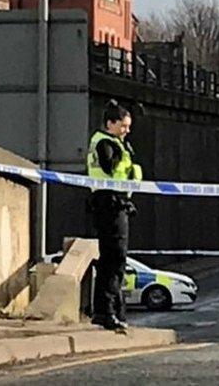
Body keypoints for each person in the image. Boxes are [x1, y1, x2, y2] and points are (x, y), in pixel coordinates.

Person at [86, 100, 143, 331]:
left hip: (118, 203)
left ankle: (114, 312)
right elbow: (110, 168)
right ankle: (105, 311)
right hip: (108, 203)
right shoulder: (104, 144)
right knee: (114, 258)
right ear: (110, 123)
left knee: (116, 260)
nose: (127, 131)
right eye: (123, 126)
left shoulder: (117, 144)